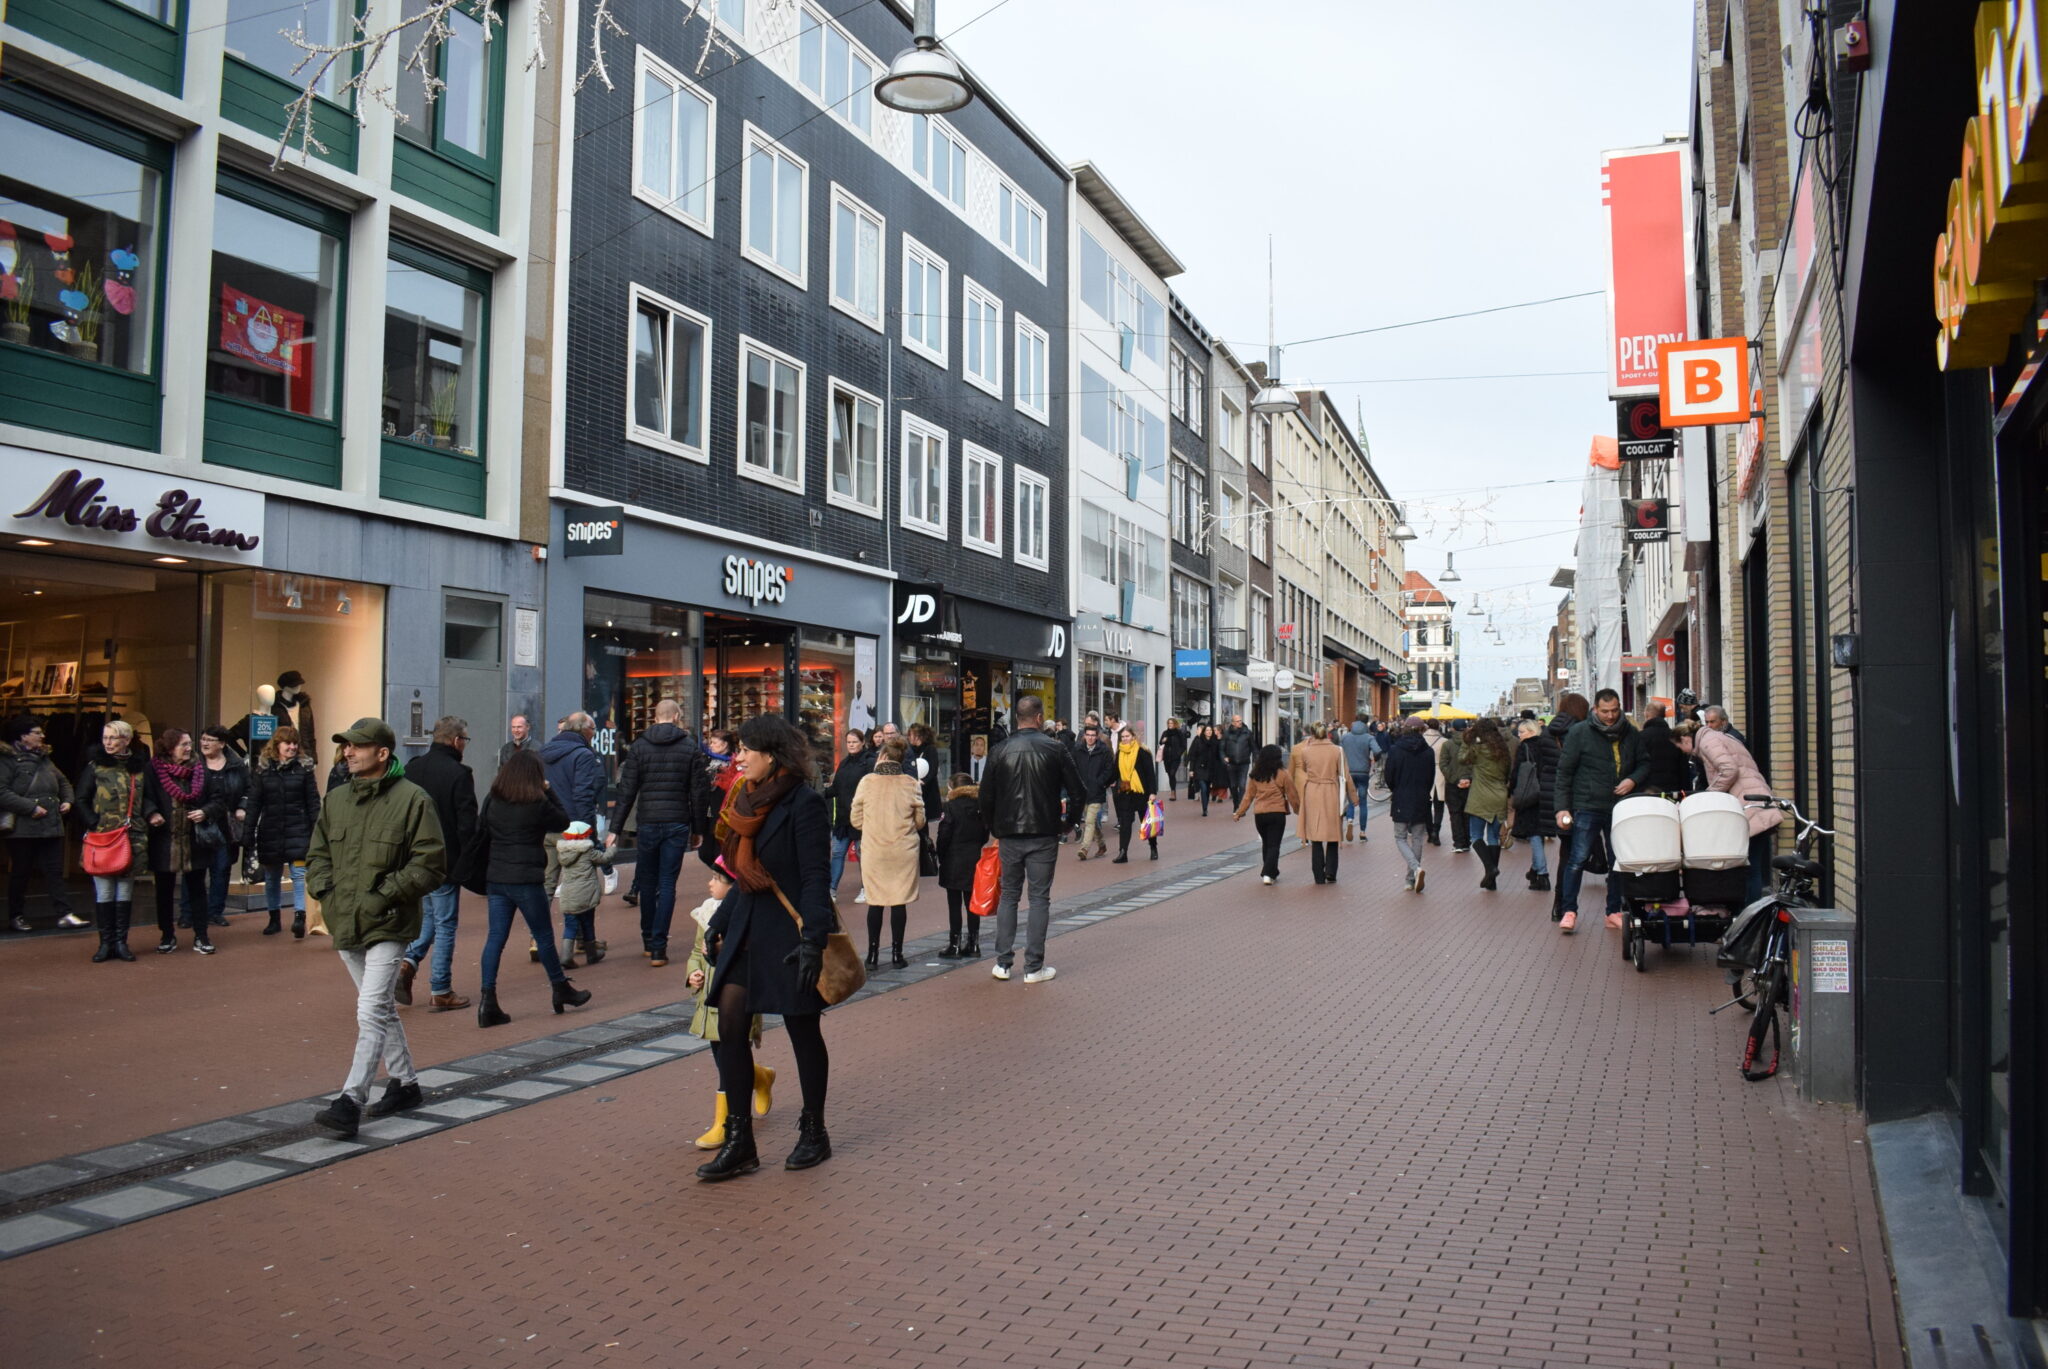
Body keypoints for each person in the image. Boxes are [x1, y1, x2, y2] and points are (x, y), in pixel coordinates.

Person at [698, 713, 839, 1181]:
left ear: (772, 754)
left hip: (789, 933)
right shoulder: (746, 800)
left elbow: (815, 878)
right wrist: (719, 922)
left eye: (746, 749)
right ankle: (740, 1142)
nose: (737, 757)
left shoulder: (805, 803)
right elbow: (743, 876)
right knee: (730, 1025)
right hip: (747, 926)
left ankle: (814, 1131)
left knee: (802, 1029)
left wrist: (814, 940)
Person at [307, 718, 448, 1140]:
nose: (348, 752)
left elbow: (430, 863)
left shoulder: (413, 800)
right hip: (346, 922)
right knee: (380, 1008)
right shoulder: (336, 800)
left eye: (357, 746)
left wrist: (383, 895)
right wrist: (326, 893)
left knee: (369, 1010)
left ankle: (350, 1100)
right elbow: (317, 855)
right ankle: (405, 1084)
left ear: (382, 753)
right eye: (346, 746)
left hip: (389, 921)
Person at [471, 749, 590, 1029]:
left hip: (498, 877)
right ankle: (560, 988)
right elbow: (563, 821)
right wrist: (548, 790)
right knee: (543, 936)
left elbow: (482, 829)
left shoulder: (493, 799)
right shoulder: (537, 802)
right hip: (526, 878)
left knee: (495, 938)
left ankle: (488, 1000)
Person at [978, 693, 1084, 985]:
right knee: (1039, 898)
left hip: (1010, 833)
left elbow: (985, 795)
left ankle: (1003, 963)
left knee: (1009, 895)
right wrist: (1068, 823)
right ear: (1039, 718)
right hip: (1044, 831)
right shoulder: (1055, 748)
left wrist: (994, 826)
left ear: (1017, 719)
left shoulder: (999, 750)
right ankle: (1033, 967)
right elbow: (1078, 791)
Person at [609, 699, 706, 965]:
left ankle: (648, 939)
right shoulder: (689, 747)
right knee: (667, 884)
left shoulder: (640, 746)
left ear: (655, 717)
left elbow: (627, 790)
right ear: (676, 716)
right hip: (676, 821)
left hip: (648, 821)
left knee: (648, 881)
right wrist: (699, 828)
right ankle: (659, 947)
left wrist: (615, 828)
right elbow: (698, 792)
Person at [685, 862, 771, 1150]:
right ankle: (760, 1076)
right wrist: (693, 973)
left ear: (735, 887)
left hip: (735, 997)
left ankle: (723, 1123)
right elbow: (696, 952)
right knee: (722, 1057)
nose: (710, 884)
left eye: (717, 879)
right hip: (708, 1001)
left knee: (728, 1060)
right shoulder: (706, 912)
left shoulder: (748, 915)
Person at [394, 717, 478, 1007]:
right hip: (445, 860)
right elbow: (467, 824)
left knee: (429, 917)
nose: (465, 746)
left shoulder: (412, 769)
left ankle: (408, 963)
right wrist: (468, 861)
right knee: (445, 924)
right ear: (456, 741)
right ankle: (440, 988)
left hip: (415, 858)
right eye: (465, 740)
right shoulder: (459, 774)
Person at [1553, 688, 1649, 934]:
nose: (1610, 716)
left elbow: (1644, 762)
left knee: (1618, 861)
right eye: (1605, 711)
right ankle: (1569, 910)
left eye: (1614, 711)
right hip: (1587, 804)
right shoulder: (1579, 732)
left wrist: (1633, 780)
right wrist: (1562, 808)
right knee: (1578, 858)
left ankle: (1613, 911)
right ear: (1595, 709)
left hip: (1620, 806)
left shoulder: (1630, 732)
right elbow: (1564, 772)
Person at [1672, 719, 1780, 903]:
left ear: (1685, 739)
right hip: (1756, 802)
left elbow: (1729, 769)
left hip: (1748, 804)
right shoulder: (1719, 737)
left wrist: (1710, 795)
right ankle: (1749, 911)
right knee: (1752, 865)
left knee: (1748, 867)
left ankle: (1749, 914)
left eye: (1679, 747)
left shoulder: (1708, 742)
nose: (1683, 752)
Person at [77, 719, 156, 959]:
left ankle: (121, 942)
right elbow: (81, 798)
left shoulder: (140, 768)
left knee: (125, 890)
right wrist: (93, 822)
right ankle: (105, 943)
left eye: (113, 738)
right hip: (102, 837)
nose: (108, 742)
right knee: (104, 891)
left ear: (127, 740)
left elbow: (148, 797)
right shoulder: (95, 767)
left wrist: (151, 814)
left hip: (131, 836)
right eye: (105, 738)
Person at [241, 725, 323, 938]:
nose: (292, 747)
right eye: (288, 743)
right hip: (271, 830)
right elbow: (254, 803)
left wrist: (318, 831)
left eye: (295, 743)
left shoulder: (304, 769)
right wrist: (247, 833)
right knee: (272, 877)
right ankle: (274, 917)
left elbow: (313, 803)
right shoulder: (263, 769)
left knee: (299, 875)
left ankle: (299, 917)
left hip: (299, 829)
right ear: (277, 745)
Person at [849, 736, 923, 970]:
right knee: (899, 903)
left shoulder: (867, 782)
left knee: (875, 902)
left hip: (875, 850)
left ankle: (872, 956)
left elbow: (855, 819)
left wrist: (873, 827)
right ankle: (897, 955)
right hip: (903, 851)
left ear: (881, 757)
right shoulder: (910, 783)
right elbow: (920, 821)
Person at [3, 715, 78, 933]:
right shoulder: (6, 760)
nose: (42, 736)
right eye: (37, 732)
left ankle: (64, 913)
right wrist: (30, 808)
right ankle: (16, 915)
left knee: (54, 871)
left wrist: (68, 800)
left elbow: (63, 782)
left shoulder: (45, 758)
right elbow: (2, 792)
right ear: (22, 736)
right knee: (21, 872)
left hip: (50, 823)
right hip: (22, 827)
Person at [539, 712, 605, 947]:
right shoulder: (583, 754)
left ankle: (537, 938)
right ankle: (583, 939)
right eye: (593, 729)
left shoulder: (543, 753)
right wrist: (590, 832)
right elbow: (583, 795)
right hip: (573, 828)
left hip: (547, 825)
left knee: (547, 883)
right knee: (581, 882)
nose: (594, 734)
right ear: (583, 730)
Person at [146, 730, 211, 953]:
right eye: (183, 744)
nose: (189, 748)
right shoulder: (153, 769)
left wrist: (205, 811)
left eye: (190, 744)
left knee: (197, 889)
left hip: (194, 839)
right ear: (170, 747)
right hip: (164, 838)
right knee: (164, 891)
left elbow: (217, 798)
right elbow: (145, 796)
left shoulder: (200, 768)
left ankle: (202, 935)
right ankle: (167, 935)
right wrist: (152, 812)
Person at [192, 726, 249, 930]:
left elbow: (248, 789)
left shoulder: (236, 765)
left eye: (210, 740)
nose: (205, 743)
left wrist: (242, 807)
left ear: (222, 744)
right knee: (195, 870)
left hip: (226, 824)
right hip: (198, 823)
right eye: (203, 739)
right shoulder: (194, 764)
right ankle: (189, 913)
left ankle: (215, 912)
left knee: (221, 868)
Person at [1288, 722, 1357, 885]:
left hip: (1312, 792)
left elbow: (1304, 769)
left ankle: (1318, 875)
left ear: (1312, 734)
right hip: (1331, 791)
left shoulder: (1305, 751)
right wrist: (1353, 796)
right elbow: (1345, 775)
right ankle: (1331, 872)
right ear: (1327, 734)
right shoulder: (1337, 751)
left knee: (1315, 835)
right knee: (1333, 833)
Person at [934, 771, 988, 959]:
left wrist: (941, 854)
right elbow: (984, 834)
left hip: (954, 859)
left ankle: (954, 944)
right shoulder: (979, 806)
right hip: (973, 858)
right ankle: (973, 944)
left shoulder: (950, 807)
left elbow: (944, 834)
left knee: (954, 904)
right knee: (972, 904)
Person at [1458, 718, 1513, 892]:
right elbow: (1507, 773)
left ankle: (1490, 869)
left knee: (1475, 836)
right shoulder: (1503, 751)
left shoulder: (1477, 749)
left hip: (1480, 796)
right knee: (1493, 837)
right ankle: (1491, 881)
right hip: (1499, 795)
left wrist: (1467, 741)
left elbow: (1461, 759)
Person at [553, 820, 617, 967]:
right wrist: (612, 849)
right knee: (588, 923)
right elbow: (604, 858)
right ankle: (591, 954)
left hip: (568, 895)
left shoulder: (563, 852)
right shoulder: (588, 851)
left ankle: (566, 956)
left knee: (570, 925)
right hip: (586, 894)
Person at [1232, 743, 1297, 885]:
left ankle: (1272, 872)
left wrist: (1239, 812)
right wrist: (1298, 809)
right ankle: (1267, 873)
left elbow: (1248, 796)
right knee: (1274, 845)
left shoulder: (1255, 775)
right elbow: (1292, 794)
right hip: (1277, 813)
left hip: (1260, 814)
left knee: (1266, 844)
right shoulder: (1283, 774)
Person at [1509, 717, 1562, 893]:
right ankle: (1534, 870)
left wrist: (1512, 790)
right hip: (1547, 793)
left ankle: (1543, 874)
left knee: (1534, 834)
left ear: (1531, 731)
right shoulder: (1548, 745)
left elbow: (1517, 773)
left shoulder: (1524, 747)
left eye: (1522, 732)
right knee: (1539, 833)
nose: (1519, 735)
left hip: (1529, 795)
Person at [1384, 719, 1436, 893]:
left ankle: (1415, 869)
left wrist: (1396, 789)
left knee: (1400, 837)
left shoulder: (1395, 750)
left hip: (1401, 797)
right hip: (1421, 798)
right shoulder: (1428, 751)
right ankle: (1411, 877)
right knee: (1417, 838)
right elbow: (1430, 777)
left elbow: (1389, 776)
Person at [1110, 723, 1159, 863]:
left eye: (1127, 736)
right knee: (1125, 823)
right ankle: (1123, 852)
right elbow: (1115, 773)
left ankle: (1153, 847)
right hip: (1126, 792)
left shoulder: (1142, 751)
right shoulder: (1120, 753)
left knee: (1147, 822)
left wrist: (1152, 792)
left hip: (1141, 793)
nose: (1125, 739)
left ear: (1133, 737)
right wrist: (1103, 782)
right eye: (1123, 737)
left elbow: (1150, 774)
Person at [695, 729, 739, 871]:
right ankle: (720, 874)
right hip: (707, 811)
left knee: (719, 850)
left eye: (714, 742)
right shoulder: (706, 761)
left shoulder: (734, 763)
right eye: (710, 742)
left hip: (722, 811)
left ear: (725, 744)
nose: (711, 745)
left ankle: (722, 877)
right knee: (704, 853)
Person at [1071, 723, 1113, 860]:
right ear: (1084, 736)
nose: (1090, 738)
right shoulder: (1077, 750)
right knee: (1092, 822)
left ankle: (1084, 848)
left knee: (1089, 821)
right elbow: (1072, 767)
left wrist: (1100, 782)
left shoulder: (1103, 750)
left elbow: (1109, 769)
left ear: (1097, 736)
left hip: (1097, 791)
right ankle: (1102, 845)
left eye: (1093, 735)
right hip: (1082, 792)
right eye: (1088, 735)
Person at [1337, 717, 1378, 842]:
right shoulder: (1369, 737)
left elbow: (1339, 752)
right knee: (1363, 802)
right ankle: (1362, 832)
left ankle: (1350, 820)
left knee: (1351, 799)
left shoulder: (1345, 737)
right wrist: (1372, 758)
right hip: (1363, 772)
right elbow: (1377, 751)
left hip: (1349, 772)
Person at [1639, 701, 1691, 796]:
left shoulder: (1640, 737)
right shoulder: (1676, 737)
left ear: (1647, 715)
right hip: (1673, 792)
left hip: (1648, 791)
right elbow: (1684, 769)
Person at [1438, 722, 1472, 853]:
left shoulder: (1447, 744)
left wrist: (1454, 779)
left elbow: (1443, 764)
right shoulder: (1472, 744)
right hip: (1469, 784)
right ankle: (1467, 842)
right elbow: (1476, 764)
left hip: (1452, 784)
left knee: (1455, 814)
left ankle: (1458, 843)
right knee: (1467, 813)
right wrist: (1469, 779)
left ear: (1453, 728)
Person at [905, 722, 944, 826]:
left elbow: (933, 769)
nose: (909, 737)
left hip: (928, 789)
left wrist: (924, 781)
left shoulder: (930, 749)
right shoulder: (909, 750)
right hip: (914, 789)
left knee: (926, 820)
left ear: (918, 736)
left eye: (911, 735)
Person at [1221, 714, 1255, 811]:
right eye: (1237, 721)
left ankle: (1240, 806)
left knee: (1242, 785)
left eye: (1240, 720)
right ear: (1232, 723)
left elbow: (1253, 747)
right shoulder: (1227, 734)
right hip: (1231, 763)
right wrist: (1224, 758)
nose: (1240, 722)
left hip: (1244, 763)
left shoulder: (1247, 733)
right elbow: (1221, 748)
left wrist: (1256, 758)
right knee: (1233, 786)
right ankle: (1236, 804)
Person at [1422, 722, 1447, 845]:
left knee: (1426, 806)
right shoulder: (1444, 741)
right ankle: (1436, 831)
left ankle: (1429, 830)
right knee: (1439, 806)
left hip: (1424, 773)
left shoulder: (1421, 739)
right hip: (1440, 773)